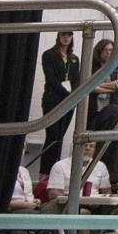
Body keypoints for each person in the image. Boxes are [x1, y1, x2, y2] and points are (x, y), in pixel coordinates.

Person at [40, 31, 80, 176]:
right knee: (52, 136)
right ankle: (44, 172)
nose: (66, 38)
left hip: (69, 102)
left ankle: (54, 172)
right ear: (58, 36)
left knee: (60, 137)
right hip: (53, 100)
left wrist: (74, 96)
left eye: (69, 35)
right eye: (63, 35)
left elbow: (76, 79)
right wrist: (69, 96)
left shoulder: (74, 59)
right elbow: (51, 79)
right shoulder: (49, 55)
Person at [87, 38, 118, 127]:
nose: (108, 53)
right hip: (94, 108)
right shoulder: (90, 67)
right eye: (105, 50)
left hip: (112, 108)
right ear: (99, 51)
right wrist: (111, 88)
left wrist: (98, 85)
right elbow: (89, 87)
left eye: (111, 50)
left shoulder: (117, 66)